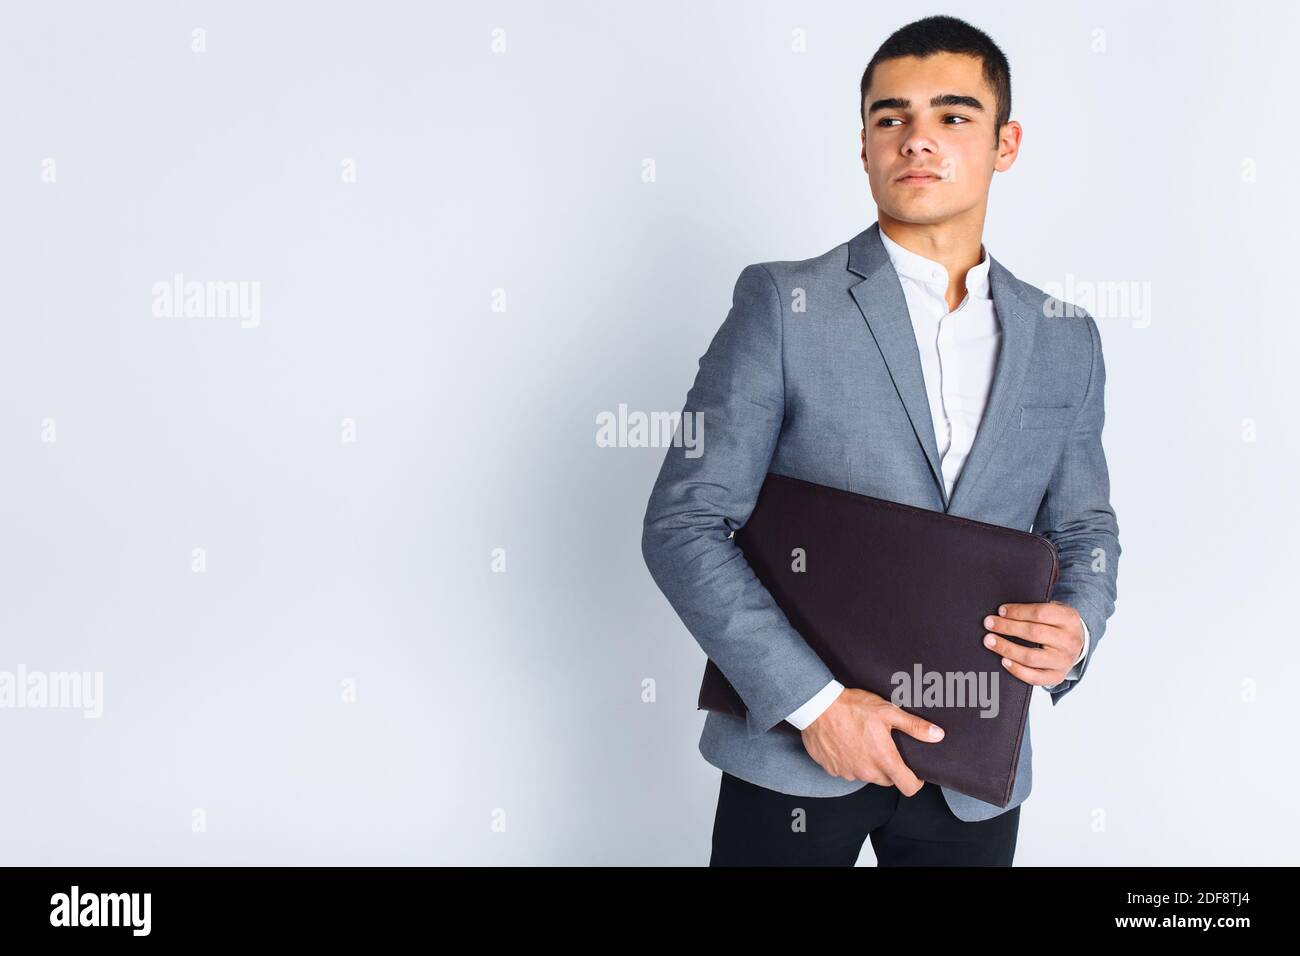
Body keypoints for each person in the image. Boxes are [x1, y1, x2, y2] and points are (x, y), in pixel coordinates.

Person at [640, 14, 1120, 866]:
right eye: (890, 118)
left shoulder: (1067, 335)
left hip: (975, 772)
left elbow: (1084, 527)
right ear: (863, 146)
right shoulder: (782, 305)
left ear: (1006, 144)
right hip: (795, 760)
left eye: (953, 115)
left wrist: (1078, 625)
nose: (917, 140)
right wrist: (816, 706)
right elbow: (684, 523)